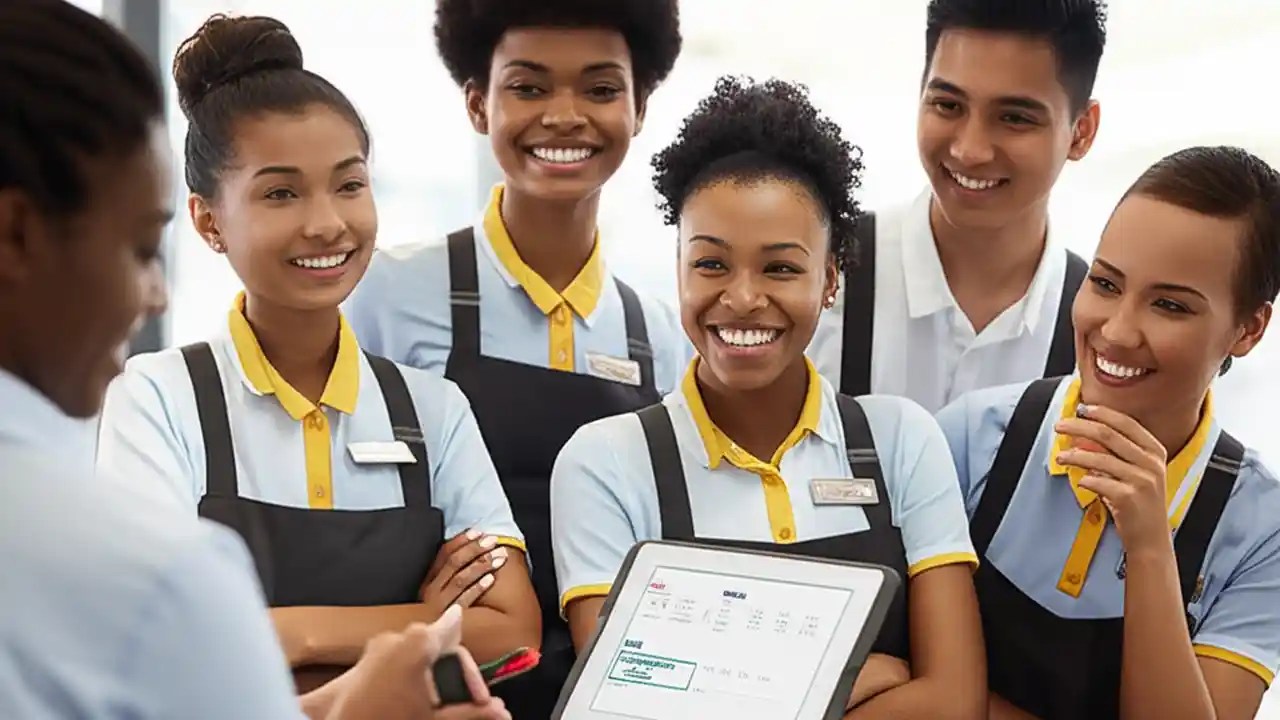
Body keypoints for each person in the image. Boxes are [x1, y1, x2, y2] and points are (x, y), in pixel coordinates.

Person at [0, 1, 507, 719]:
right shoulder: (159, 422)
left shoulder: (434, 409)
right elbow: (174, 668)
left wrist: (281, 637)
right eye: (141, 247)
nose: (154, 294)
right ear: (209, 221)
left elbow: (506, 625)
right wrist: (399, 635)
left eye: (350, 183)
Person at [551, 77, 987, 718]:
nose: (743, 297)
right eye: (711, 264)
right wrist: (867, 676)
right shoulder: (606, 464)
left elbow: (955, 704)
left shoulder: (900, 442)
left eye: (781, 267)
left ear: (831, 278)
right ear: (677, 268)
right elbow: (628, 707)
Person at [342, 2, 686, 715]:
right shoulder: (388, 294)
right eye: (529, 88)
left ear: (641, 105)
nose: (564, 116)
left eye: (599, 89)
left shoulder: (659, 335)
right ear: (477, 103)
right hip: (445, 686)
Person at [936, 146, 1280, 719]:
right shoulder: (972, 441)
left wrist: (1149, 547)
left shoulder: (1262, 532)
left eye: (1169, 305)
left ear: (1248, 329)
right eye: (1105, 283)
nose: (1116, 332)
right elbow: (877, 678)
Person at [808, 0, 1107, 412]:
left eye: (1015, 118)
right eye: (949, 105)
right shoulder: (817, 277)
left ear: (1082, 132)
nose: (970, 151)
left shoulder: (1105, 339)